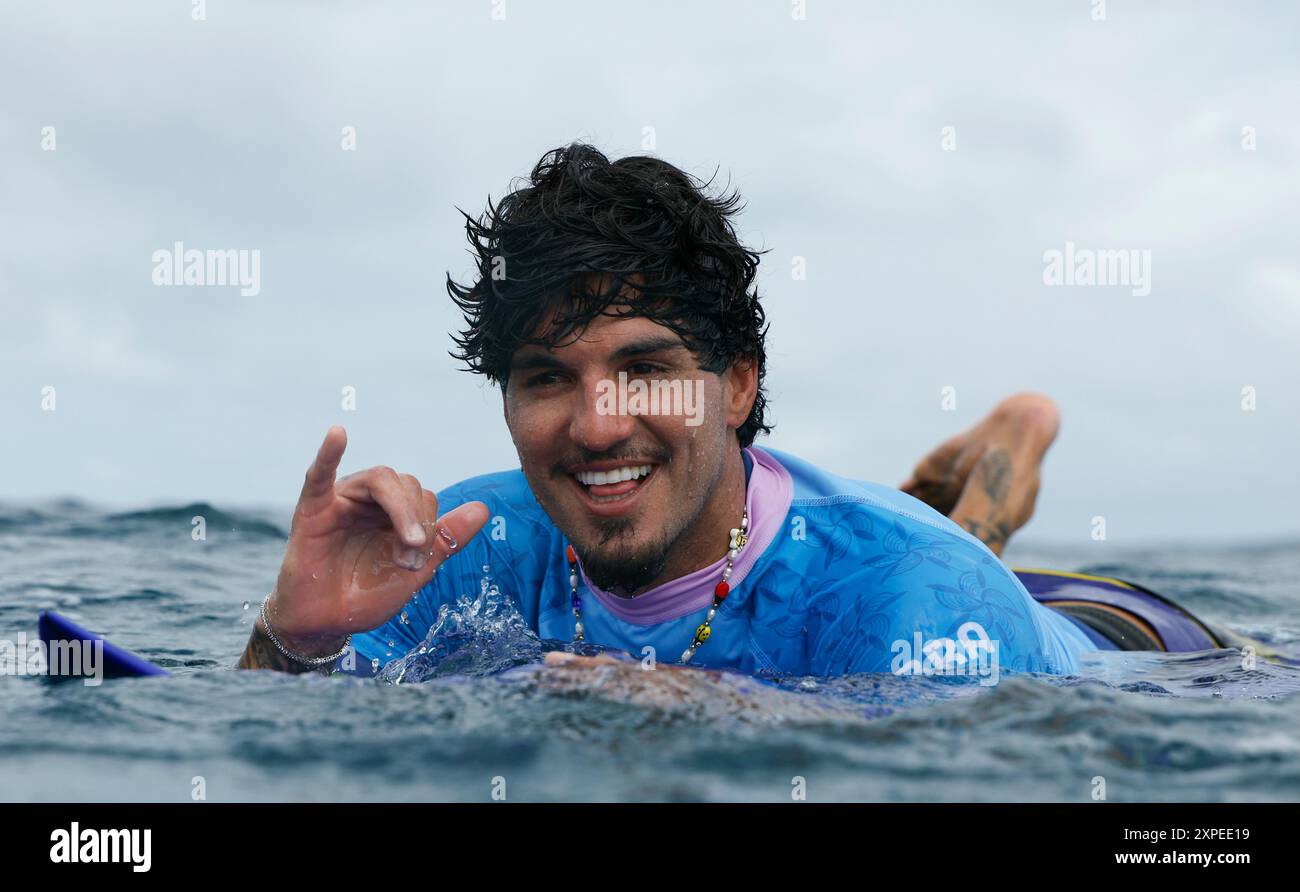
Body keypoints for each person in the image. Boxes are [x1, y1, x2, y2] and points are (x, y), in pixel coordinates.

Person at [238, 144, 1094, 679]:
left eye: (644, 370)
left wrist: (721, 714)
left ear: (736, 386)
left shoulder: (918, 593)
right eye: (546, 378)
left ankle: (1002, 462)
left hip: (1133, 643)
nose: (599, 426)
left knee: (951, 558)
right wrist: (295, 638)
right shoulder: (460, 549)